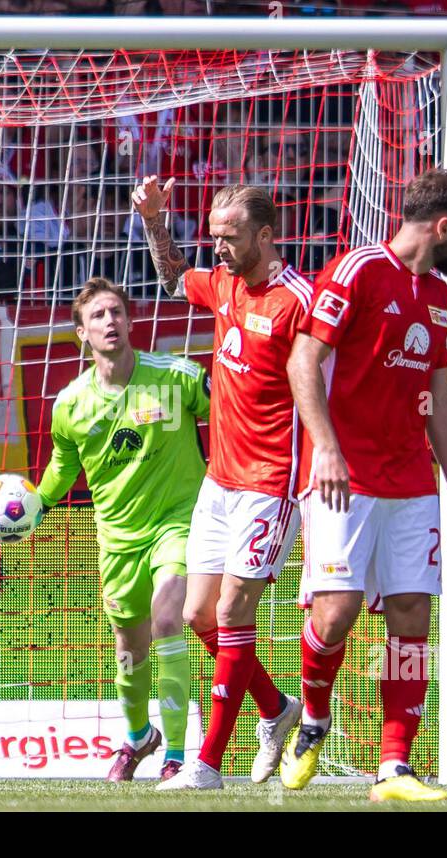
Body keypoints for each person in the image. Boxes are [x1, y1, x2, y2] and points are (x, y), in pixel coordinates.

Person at [282, 168, 447, 801]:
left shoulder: (439, 297)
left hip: (412, 484)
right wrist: (328, 450)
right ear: (442, 226)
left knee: (412, 617)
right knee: (335, 615)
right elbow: (302, 361)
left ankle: (393, 766)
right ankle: (312, 720)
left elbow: (440, 398)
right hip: (345, 477)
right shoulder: (357, 269)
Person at [134, 177, 309, 791]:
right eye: (214, 238)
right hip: (220, 479)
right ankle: (275, 708)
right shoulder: (226, 283)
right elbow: (172, 278)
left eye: (230, 238)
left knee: (234, 610)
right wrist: (156, 219)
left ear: (266, 235)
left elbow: (322, 390)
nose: (219, 250)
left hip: (272, 483)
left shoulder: (298, 303)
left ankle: (206, 765)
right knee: (197, 612)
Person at [37, 278, 211, 782]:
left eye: (116, 312)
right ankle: (138, 738)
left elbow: (230, 414)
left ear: (131, 322)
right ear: (81, 333)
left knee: (167, 620)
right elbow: (61, 470)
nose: (109, 321)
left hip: (178, 522)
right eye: (98, 316)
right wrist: (31, 508)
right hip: (117, 539)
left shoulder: (176, 378)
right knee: (129, 655)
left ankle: (178, 753)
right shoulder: (69, 406)